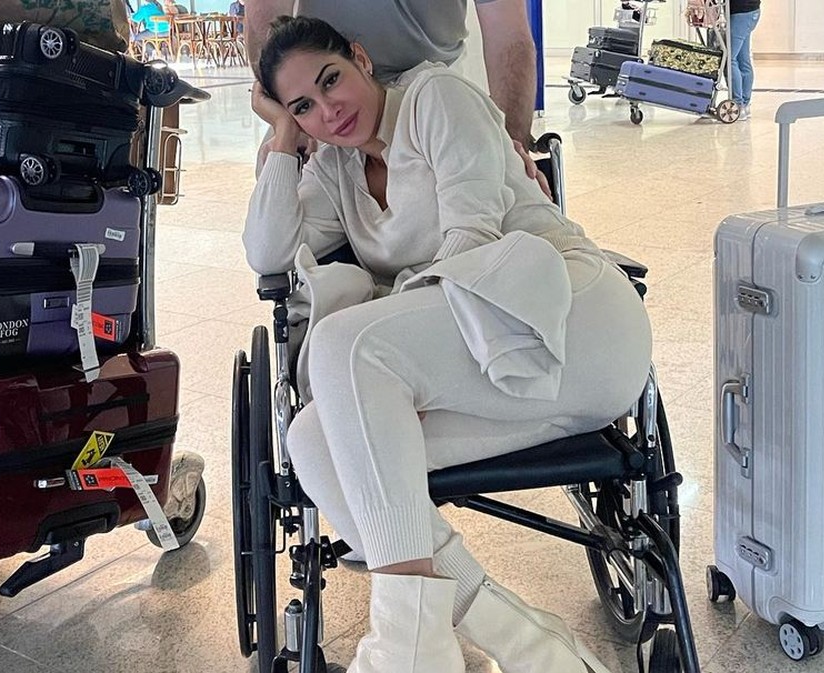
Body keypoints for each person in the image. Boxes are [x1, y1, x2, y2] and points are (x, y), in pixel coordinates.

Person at [246, 16, 653, 673]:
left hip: (569, 320)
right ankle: (531, 648)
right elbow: (266, 252)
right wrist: (283, 139)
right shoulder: (337, 170)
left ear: (360, 58)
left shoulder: (435, 99)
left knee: (345, 346)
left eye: (331, 80)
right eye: (304, 107)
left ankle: (411, 654)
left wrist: (395, 356)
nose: (328, 110)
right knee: (312, 440)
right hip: (494, 371)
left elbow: (473, 239)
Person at [244, 0, 536, 148]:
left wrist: (510, 144)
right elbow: (264, 20)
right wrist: (292, 122)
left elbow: (509, 38)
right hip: (326, 82)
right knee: (285, 195)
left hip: (431, 90)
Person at [729, 0, 760, 121]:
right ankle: (745, 105)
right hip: (751, 11)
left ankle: (738, 104)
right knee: (742, 58)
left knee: (730, 59)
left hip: (741, 14)